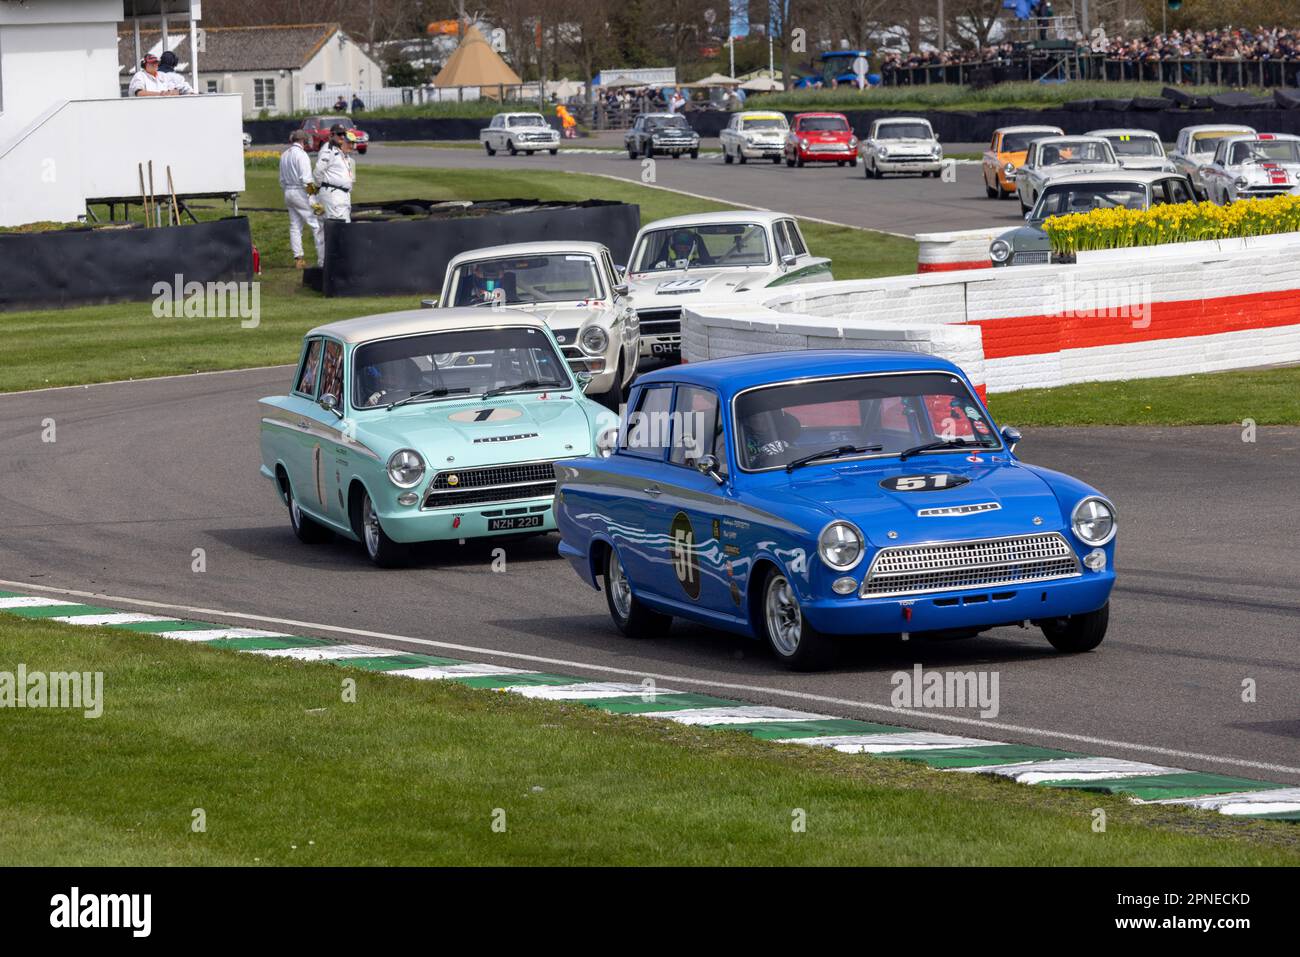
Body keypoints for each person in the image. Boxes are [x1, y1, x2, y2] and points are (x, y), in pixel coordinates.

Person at [280, 131, 323, 269]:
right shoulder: (302, 155)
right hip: (300, 192)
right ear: (303, 141)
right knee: (316, 224)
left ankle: (299, 258)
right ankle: (323, 258)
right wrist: (313, 200)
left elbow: (281, 180)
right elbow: (307, 180)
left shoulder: (284, 155)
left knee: (295, 226)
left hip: (288, 192)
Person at [313, 123, 357, 226]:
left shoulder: (337, 150)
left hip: (342, 195)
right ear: (331, 135)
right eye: (339, 134)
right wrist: (322, 187)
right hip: (333, 195)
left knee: (343, 227)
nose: (342, 136)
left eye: (343, 134)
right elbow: (318, 172)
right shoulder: (328, 149)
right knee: (338, 227)